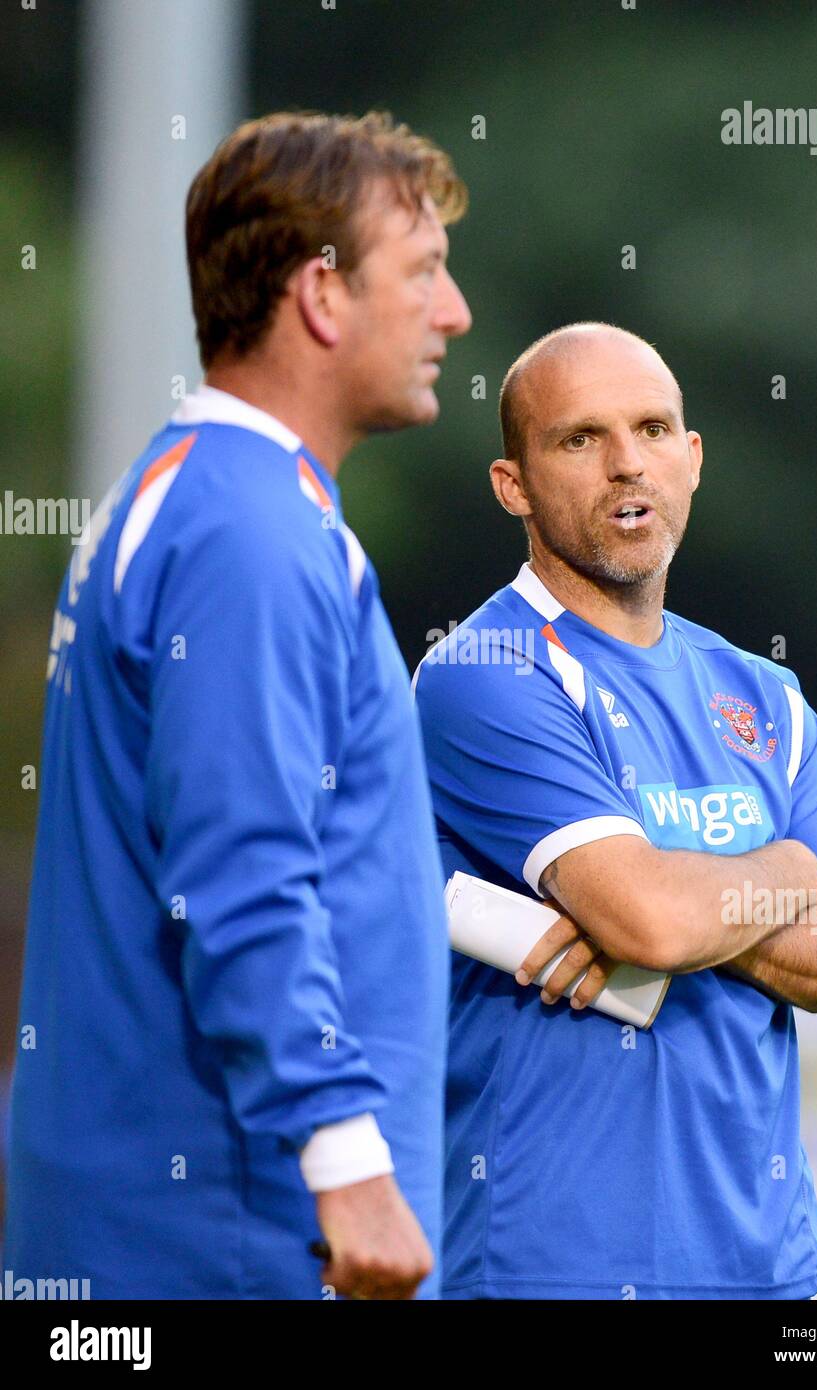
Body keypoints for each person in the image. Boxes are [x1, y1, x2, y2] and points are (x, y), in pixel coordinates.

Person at [4, 110, 471, 1300]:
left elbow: (313, 849)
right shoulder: (249, 535)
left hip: (175, 1227)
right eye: (421, 272)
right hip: (229, 1229)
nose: (452, 313)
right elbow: (243, 866)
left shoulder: (198, 491)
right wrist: (347, 1159)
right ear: (322, 294)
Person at [414, 322, 817, 1300]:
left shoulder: (761, 693)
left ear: (690, 460)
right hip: (545, 1270)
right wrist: (783, 876)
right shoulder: (480, 671)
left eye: (650, 429)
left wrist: (666, 911)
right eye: (578, 438)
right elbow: (650, 916)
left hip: (768, 1275)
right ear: (513, 484)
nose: (624, 462)